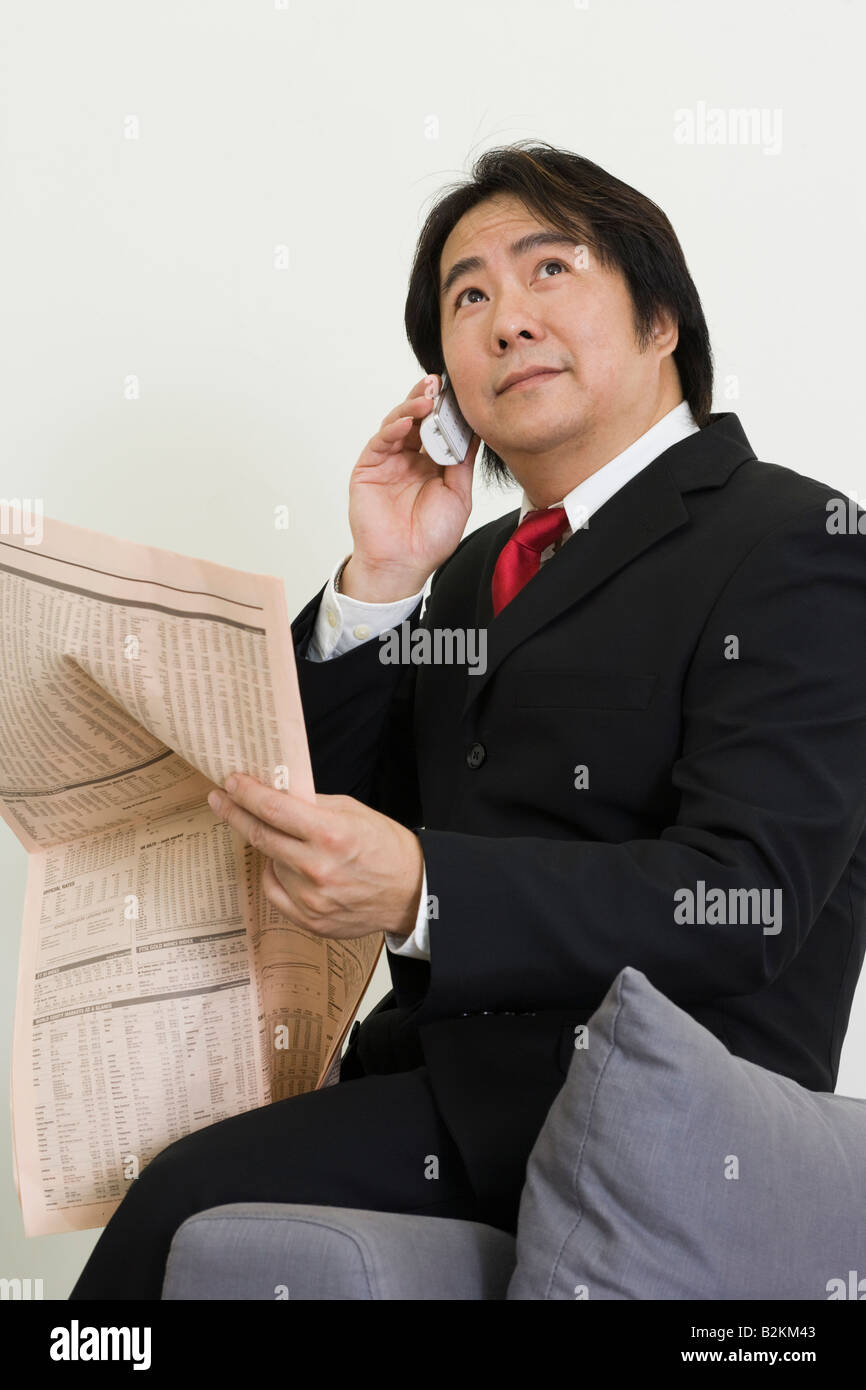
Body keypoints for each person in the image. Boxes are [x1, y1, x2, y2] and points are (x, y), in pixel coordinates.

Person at [70, 140, 866, 1301]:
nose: (504, 319)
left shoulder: (796, 541)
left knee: (185, 1197)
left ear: (661, 322)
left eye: (550, 271)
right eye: (469, 294)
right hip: (434, 1085)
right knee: (159, 1170)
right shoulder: (472, 568)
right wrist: (380, 578)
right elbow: (330, 816)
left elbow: (746, 893)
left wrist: (423, 888)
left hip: (650, 1093)